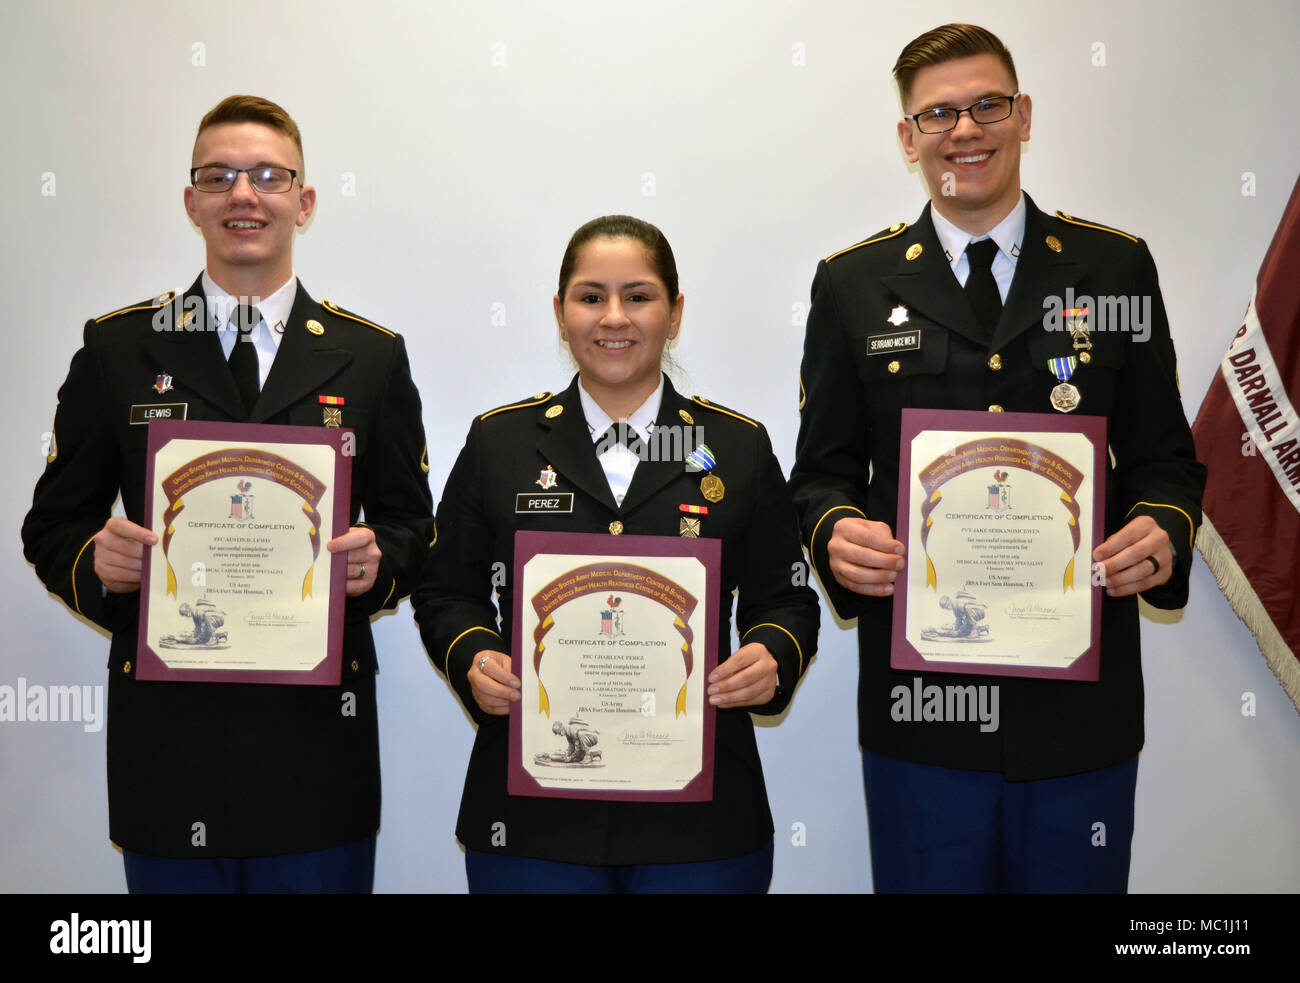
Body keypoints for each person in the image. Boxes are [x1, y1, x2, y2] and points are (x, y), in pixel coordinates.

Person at [791, 24, 1206, 892]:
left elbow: (1166, 458)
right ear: (908, 138)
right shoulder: (853, 284)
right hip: (923, 713)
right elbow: (822, 473)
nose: (965, 130)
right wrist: (836, 533)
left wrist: (1162, 528)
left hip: (1078, 709)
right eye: (938, 114)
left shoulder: (1114, 269)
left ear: (1024, 116)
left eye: (986, 106)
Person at [21, 95, 434, 893]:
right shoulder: (117, 348)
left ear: (303, 202)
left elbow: (413, 525)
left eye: (269, 176)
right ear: (192, 202)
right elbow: (53, 524)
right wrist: (94, 561)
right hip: (170, 748)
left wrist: (378, 562)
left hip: (318, 747)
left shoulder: (370, 356)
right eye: (219, 177)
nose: (244, 195)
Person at [414, 215, 818, 893]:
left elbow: (788, 597)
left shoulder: (738, 447)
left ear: (675, 312)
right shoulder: (500, 443)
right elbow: (444, 592)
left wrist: (773, 653)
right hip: (533, 820)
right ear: (560, 311)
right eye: (590, 295)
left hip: (701, 821)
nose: (614, 317)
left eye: (638, 295)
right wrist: (474, 656)